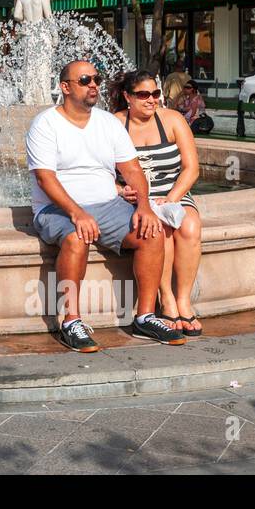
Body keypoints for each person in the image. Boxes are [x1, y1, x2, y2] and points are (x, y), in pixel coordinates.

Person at [25, 59, 184, 352]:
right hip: (56, 208)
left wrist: (145, 207)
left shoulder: (107, 123)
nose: (94, 84)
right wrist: (77, 212)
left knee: (152, 232)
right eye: (85, 80)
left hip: (108, 205)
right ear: (65, 87)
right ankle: (70, 321)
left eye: (96, 79)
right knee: (75, 238)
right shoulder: (45, 124)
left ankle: (145, 317)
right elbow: (46, 179)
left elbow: (133, 170)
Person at [110, 70, 205, 338]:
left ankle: (184, 299)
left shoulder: (173, 120)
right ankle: (167, 299)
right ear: (128, 97)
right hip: (136, 199)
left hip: (173, 193)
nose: (152, 100)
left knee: (190, 226)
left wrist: (172, 198)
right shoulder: (115, 124)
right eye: (143, 95)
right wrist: (119, 190)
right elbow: (100, 169)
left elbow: (191, 169)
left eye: (155, 94)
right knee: (157, 229)